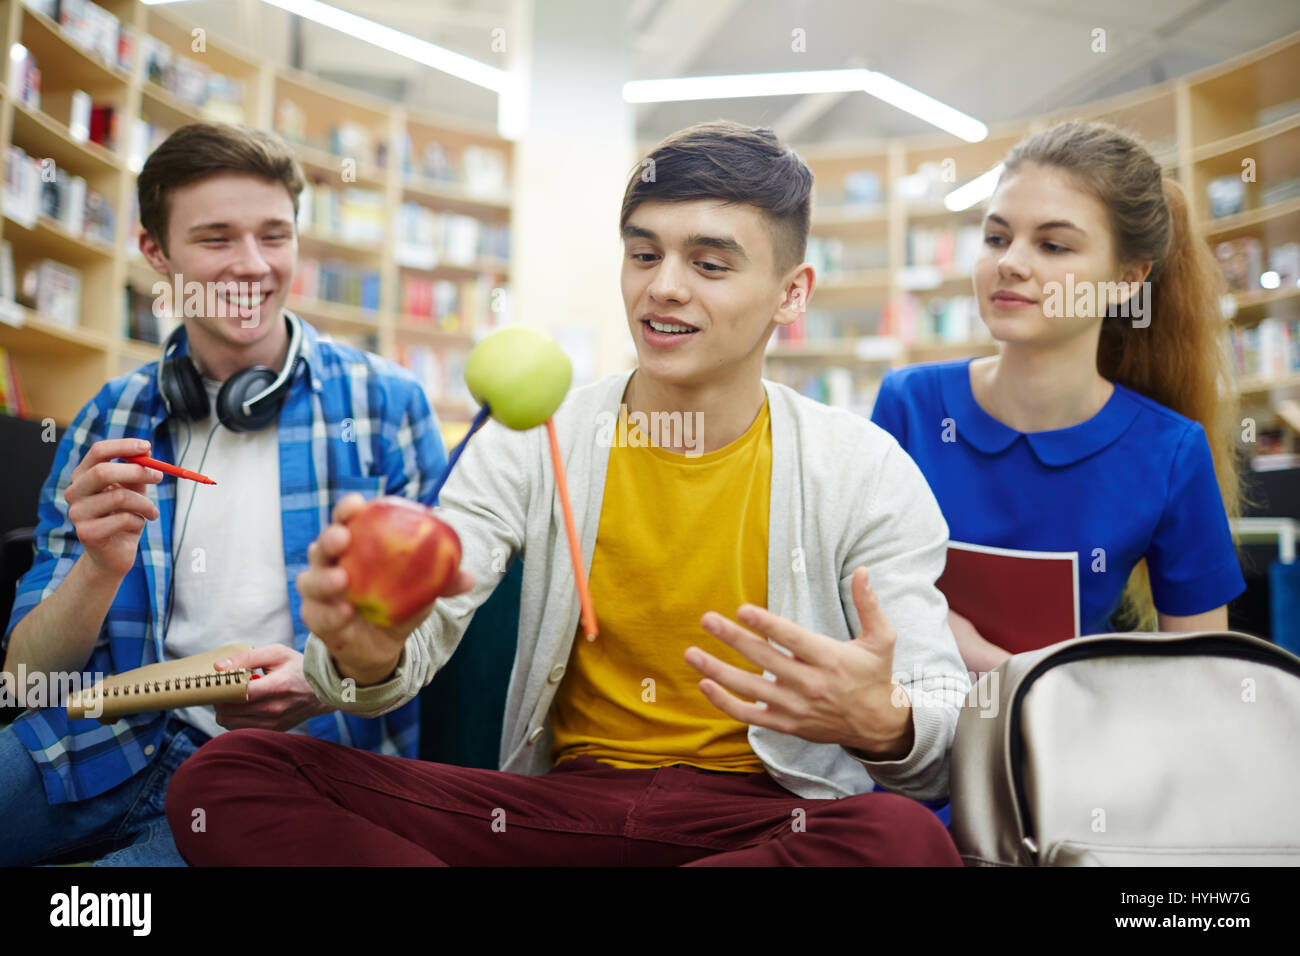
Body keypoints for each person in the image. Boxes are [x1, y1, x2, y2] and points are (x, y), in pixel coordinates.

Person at [165, 120, 971, 867]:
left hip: (763, 821)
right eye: (644, 254)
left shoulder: (866, 468)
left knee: (897, 839)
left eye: (711, 263)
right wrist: (363, 648)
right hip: (556, 812)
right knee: (229, 774)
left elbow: (938, 737)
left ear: (793, 293)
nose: (664, 288)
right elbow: (399, 661)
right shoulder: (531, 439)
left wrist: (885, 719)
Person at [0, 123, 446, 865]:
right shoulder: (112, 416)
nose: (253, 266)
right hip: (99, 743)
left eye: (275, 235)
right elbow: (25, 678)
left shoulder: (385, 404)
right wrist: (97, 568)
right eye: (216, 239)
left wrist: (324, 679)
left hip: (283, 770)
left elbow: (437, 632)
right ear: (155, 254)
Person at [870, 120, 1245, 673]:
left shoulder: (1170, 450)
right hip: (898, 739)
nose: (1010, 262)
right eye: (997, 237)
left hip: (1065, 744)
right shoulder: (911, 405)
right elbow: (859, 585)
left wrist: (1017, 685)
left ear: (1127, 280)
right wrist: (982, 659)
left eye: (1052, 244)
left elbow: (1204, 673)